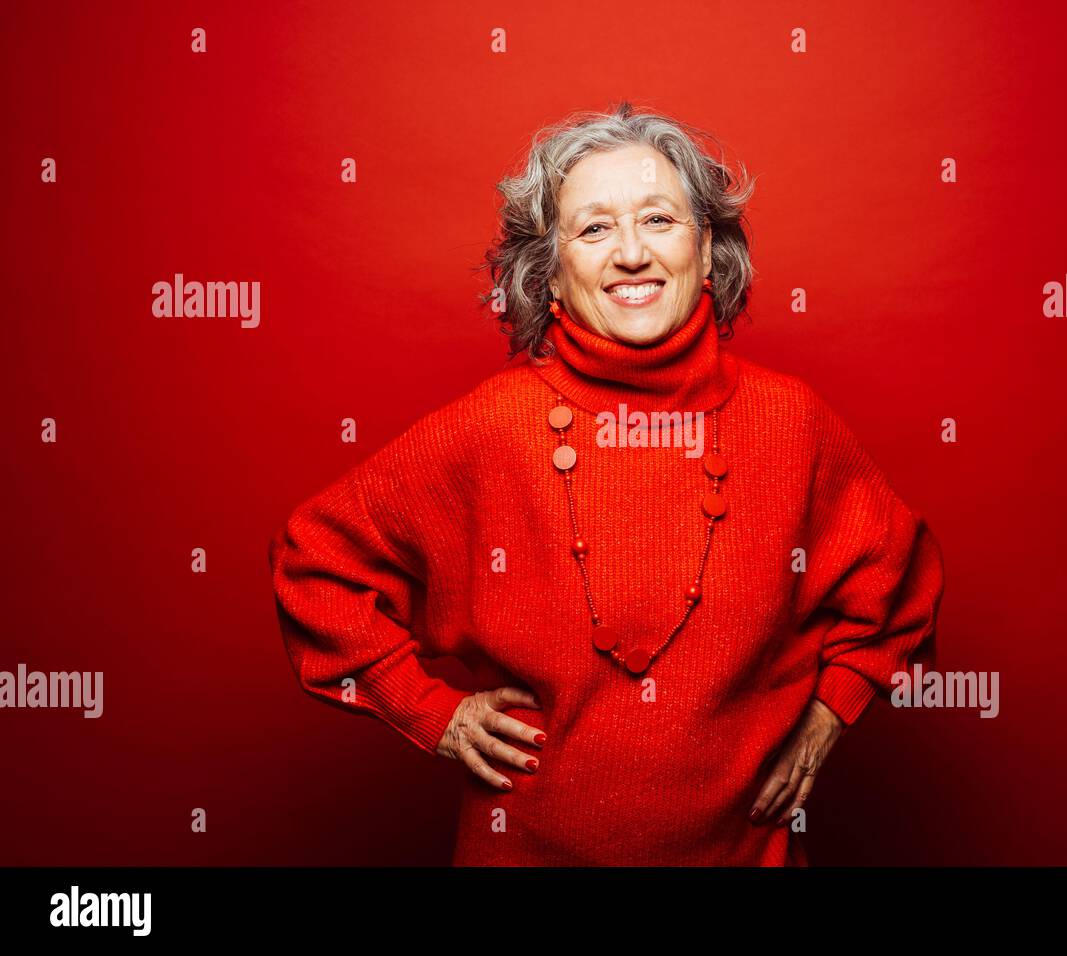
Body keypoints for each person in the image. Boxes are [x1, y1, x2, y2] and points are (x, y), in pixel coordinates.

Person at [267, 101, 945, 866]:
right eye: (593, 229)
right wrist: (434, 714)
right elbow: (314, 562)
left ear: (709, 246)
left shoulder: (793, 423)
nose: (631, 253)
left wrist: (830, 714)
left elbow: (902, 584)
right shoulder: (488, 429)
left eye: (659, 220)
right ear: (549, 268)